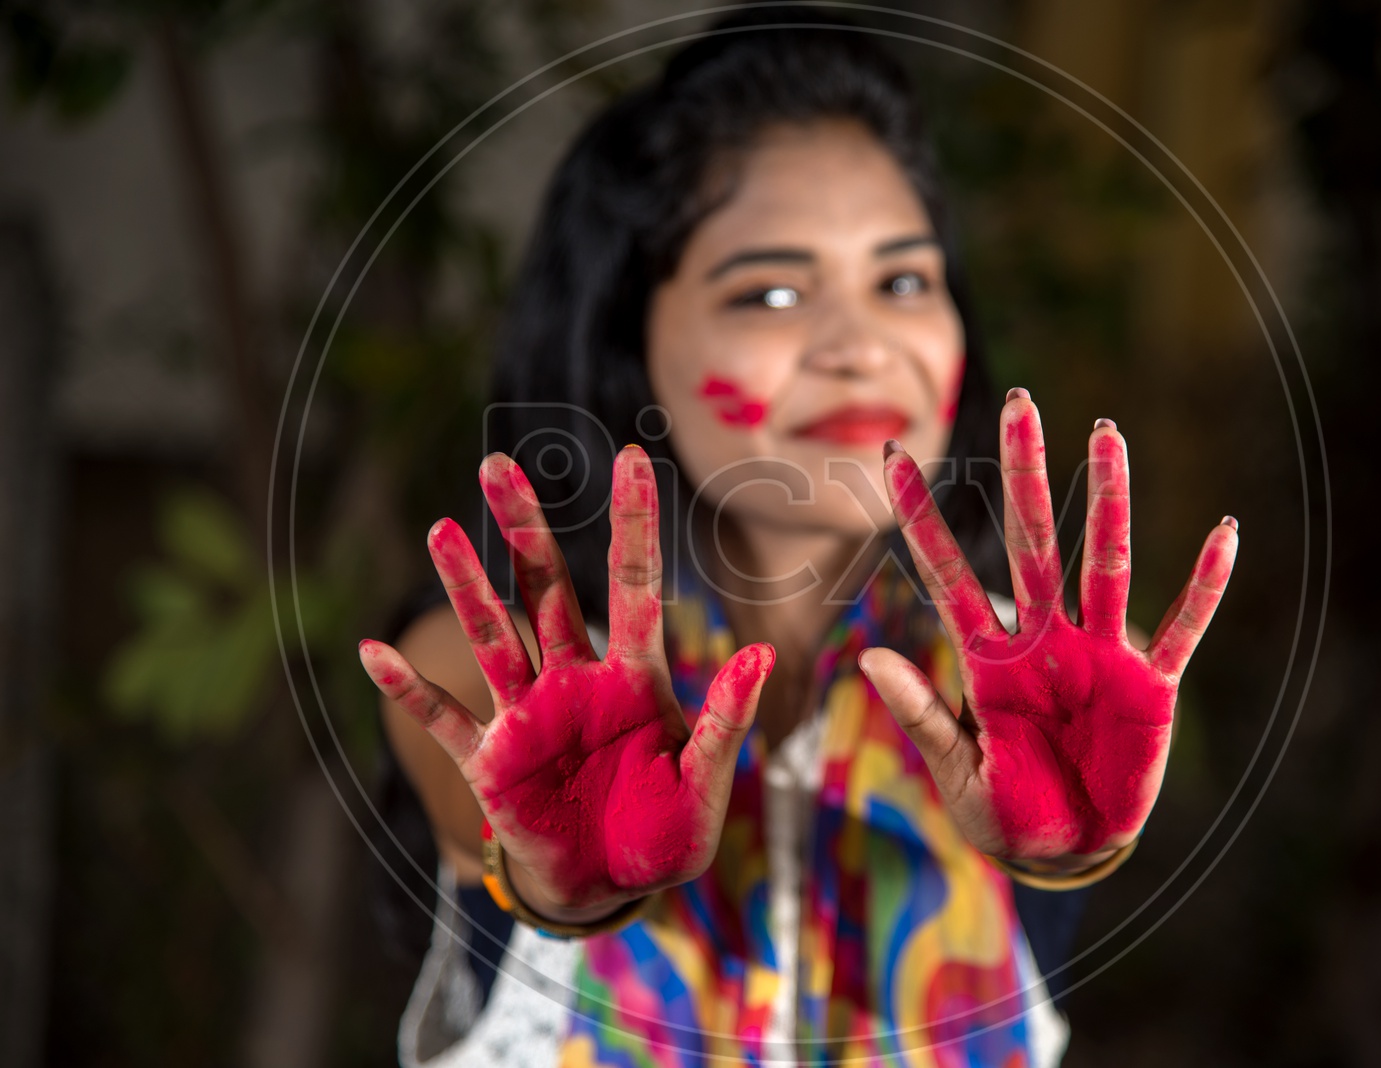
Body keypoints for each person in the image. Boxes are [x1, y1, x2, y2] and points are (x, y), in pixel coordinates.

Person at [358, 8, 1238, 1066]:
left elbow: (1062, 849)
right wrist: (568, 880)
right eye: (772, 291)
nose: (860, 346)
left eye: (903, 281)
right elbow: (489, 814)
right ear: (632, 338)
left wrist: (1066, 855)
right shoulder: (497, 675)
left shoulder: (1043, 689)